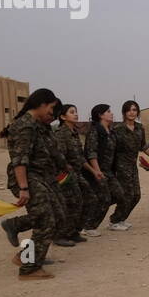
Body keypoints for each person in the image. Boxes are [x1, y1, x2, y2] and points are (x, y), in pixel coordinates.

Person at [0, 88, 63, 280]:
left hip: (41, 177)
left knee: (57, 216)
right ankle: (29, 268)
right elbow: (20, 160)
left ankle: (18, 237)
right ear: (42, 104)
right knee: (45, 220)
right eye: (51, 108)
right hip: (28, 178)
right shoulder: (25, 126)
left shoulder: (36, 125)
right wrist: (24, 188)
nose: (52, 113)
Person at [52, 102, 95, 242]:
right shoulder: (61, 133)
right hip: (64, 175)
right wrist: (68, 171)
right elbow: (59, 157)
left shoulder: (74, 133)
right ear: (63, 117)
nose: (75, 114)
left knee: (90, 198)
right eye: (71, 112)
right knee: (71, 203)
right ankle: (60, 234)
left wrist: (93, 171)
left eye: (76, 111)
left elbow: (80, 157)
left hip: (76, 173)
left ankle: (74, 230)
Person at [108, 100, 149, 230]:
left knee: (136, 195)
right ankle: (115, 221)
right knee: (126, 195)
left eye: (134, 110)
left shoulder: (139, 128)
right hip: (120, 166)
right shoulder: (116, 128)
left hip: (132, 166)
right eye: (129, 110)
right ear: (124, 112)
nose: (132, 112)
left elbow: (143, 146)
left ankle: (120, 219)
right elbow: (110, 148)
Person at [83, 103, 122, 234]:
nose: (111, 113)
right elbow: (91, 152)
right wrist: (97, 170)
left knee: (118, 194)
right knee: (105, 198)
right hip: (98, 171)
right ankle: (89, 227)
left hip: (109, 171)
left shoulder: (110, 131)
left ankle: (90, 213)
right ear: (100, 115)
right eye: (108, 111)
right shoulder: (95, 131)